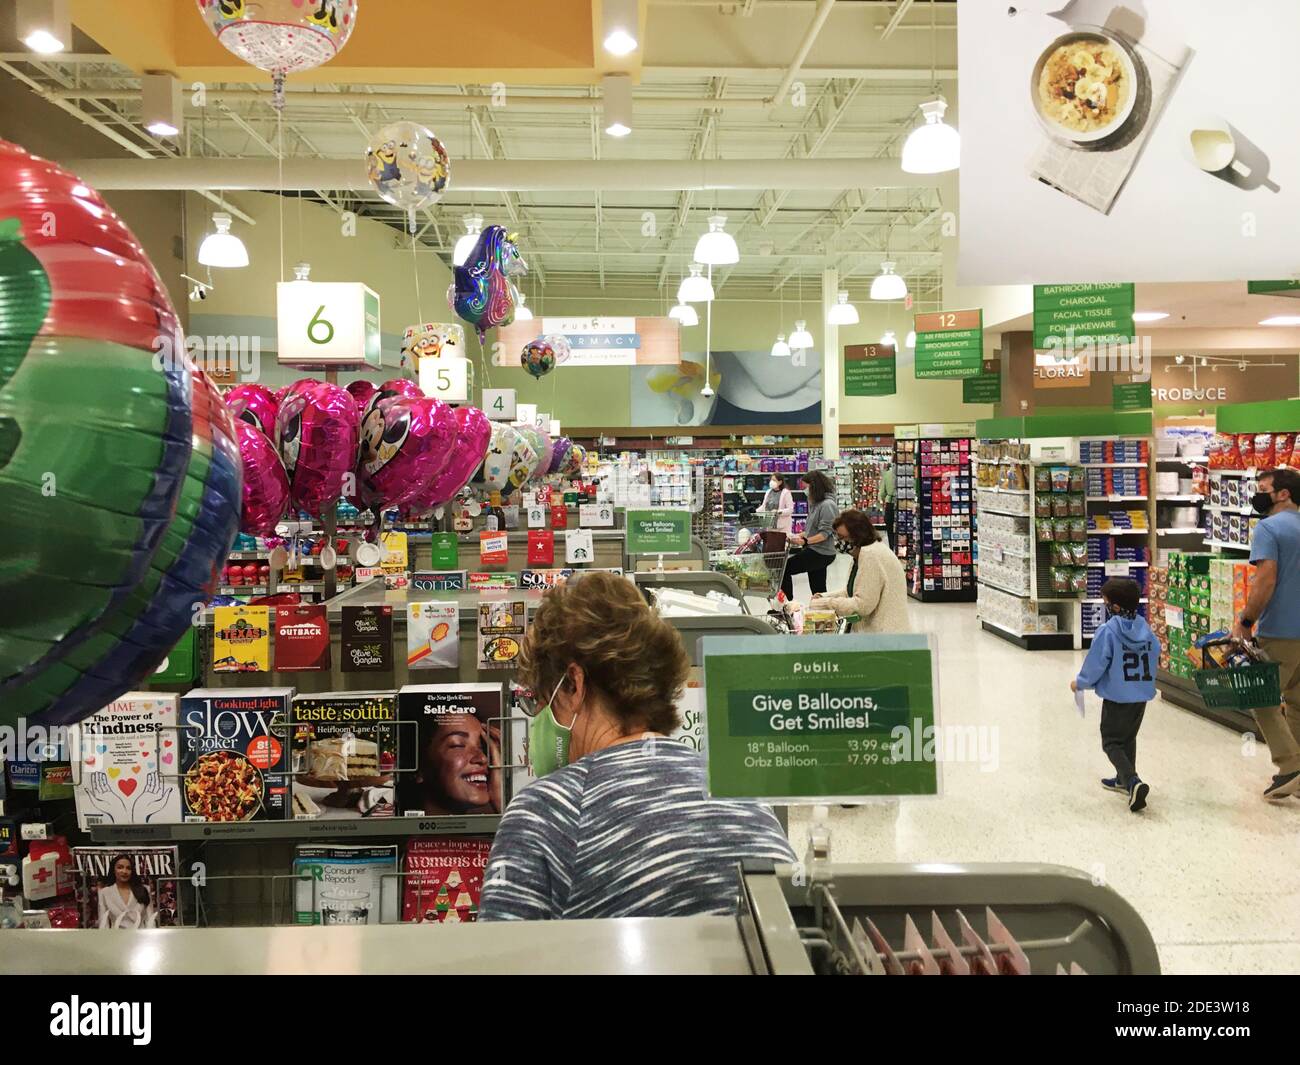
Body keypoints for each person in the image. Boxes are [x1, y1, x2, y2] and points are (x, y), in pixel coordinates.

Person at [479, 571, 795, 921]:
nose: (537, 715)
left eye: (538, 699)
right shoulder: (742, 796)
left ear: (572, 684)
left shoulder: (545, 813)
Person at [1231, 467, 1300, 801]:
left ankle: (1289, 767)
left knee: (1262, 697)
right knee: (1298, 703)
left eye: (1263, 489)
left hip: (1282, 629)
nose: (1258, 494)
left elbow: (1266, 580)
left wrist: (1246, 620)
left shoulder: (1269, 528)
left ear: (1283, 493)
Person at [1070, 578, 1160, 813]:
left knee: (1111, 741)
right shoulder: (1146, 629)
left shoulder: (1108, 631)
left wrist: (1080, 683)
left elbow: (1097, 663)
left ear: (1116, 607)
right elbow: (1156, 653)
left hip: (1117, 697)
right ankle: (1122, 780)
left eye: (1107, 603)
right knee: (1128, 738)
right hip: (1140, 696)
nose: (1106, 606)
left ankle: (1133, 781)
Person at [812, 509, 910, 633]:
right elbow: (851, 592)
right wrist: (822, 597)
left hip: (886, 638)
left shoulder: (871, 555)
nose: (838, 542)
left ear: (857, 535)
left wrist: (826, 603)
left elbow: (862, 605)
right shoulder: (860, 554)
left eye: (842, 537)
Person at [781, 469, 837, 600]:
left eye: (806, 487)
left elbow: (824, 534)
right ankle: (823, 613)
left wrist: (806, 541)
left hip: (821, 552)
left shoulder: (827, 505)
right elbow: (813, 528)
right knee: (818, 588)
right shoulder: (816, 503)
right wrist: (800, 535)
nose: (804, 491)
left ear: (814, 486)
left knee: (785, 569)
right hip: (815, 550)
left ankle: (787, 605)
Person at [97, 854, 156, 929]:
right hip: (116, 938)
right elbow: (103, 923)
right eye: (120, 867)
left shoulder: (144, 889)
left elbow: (150, 920)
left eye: (128, 868)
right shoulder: (104, 893)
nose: (124, 871)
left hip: (140, 937)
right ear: (113, 870)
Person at [880, 463, 896, 552]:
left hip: (890, 503)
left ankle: (892, 548)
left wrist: (883, 499)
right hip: (905, 503)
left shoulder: (887, 474)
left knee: (890, 528)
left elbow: (882, 492)